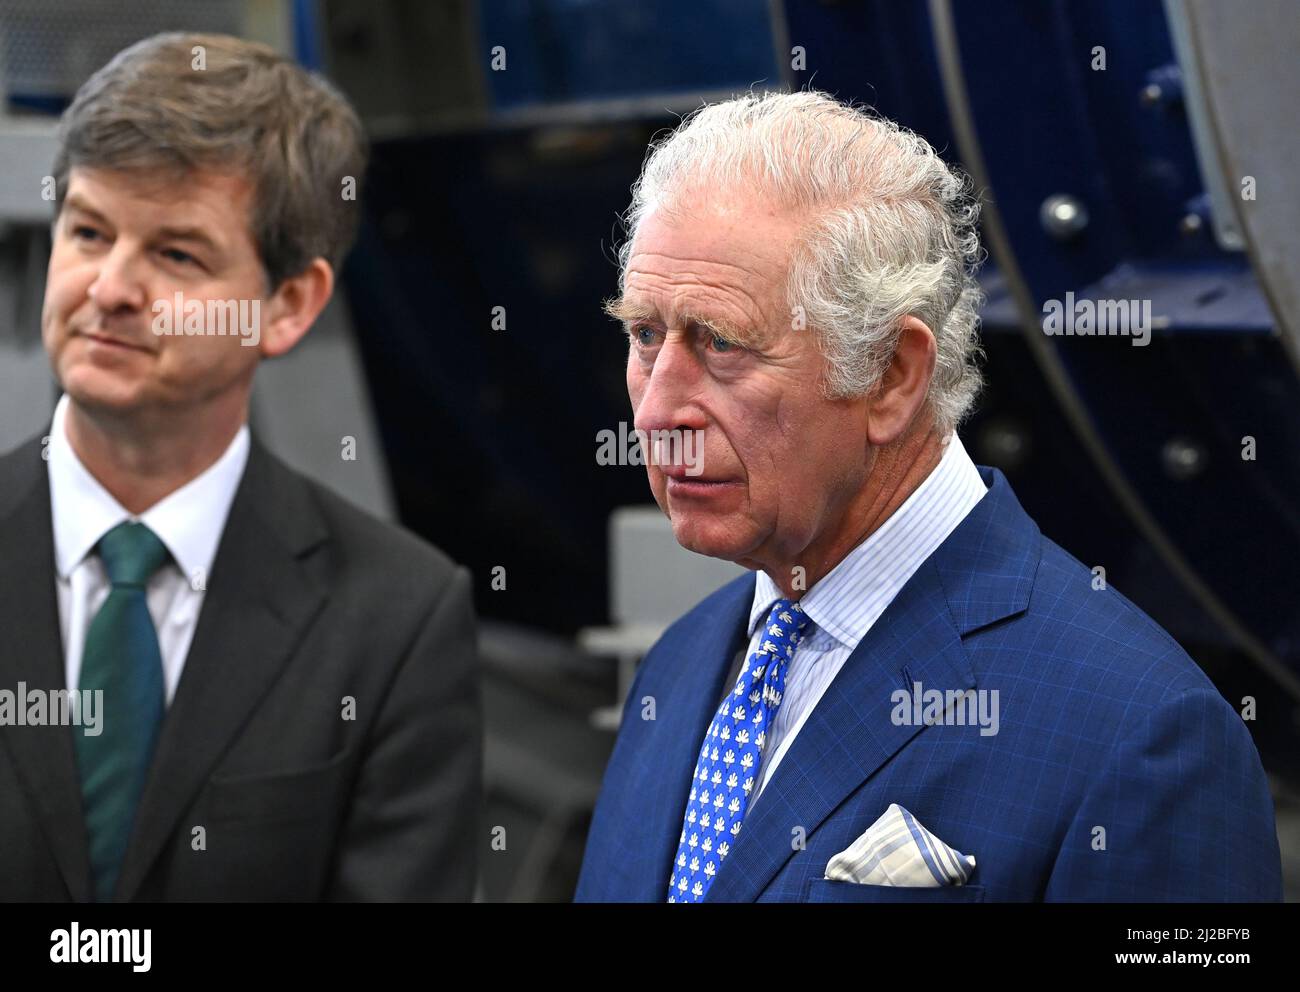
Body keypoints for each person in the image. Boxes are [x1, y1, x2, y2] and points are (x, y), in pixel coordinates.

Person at [575, 90, 1282, 902]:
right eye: (645, 335)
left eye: (722, 342)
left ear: (892, 375)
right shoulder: (686, 664)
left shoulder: (1144, 738)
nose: (659, 411)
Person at [0, 32, 481, 902]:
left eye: (176, 254)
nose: (109, 286)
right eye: (88, 231)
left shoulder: (396, 622)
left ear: (288, 306)